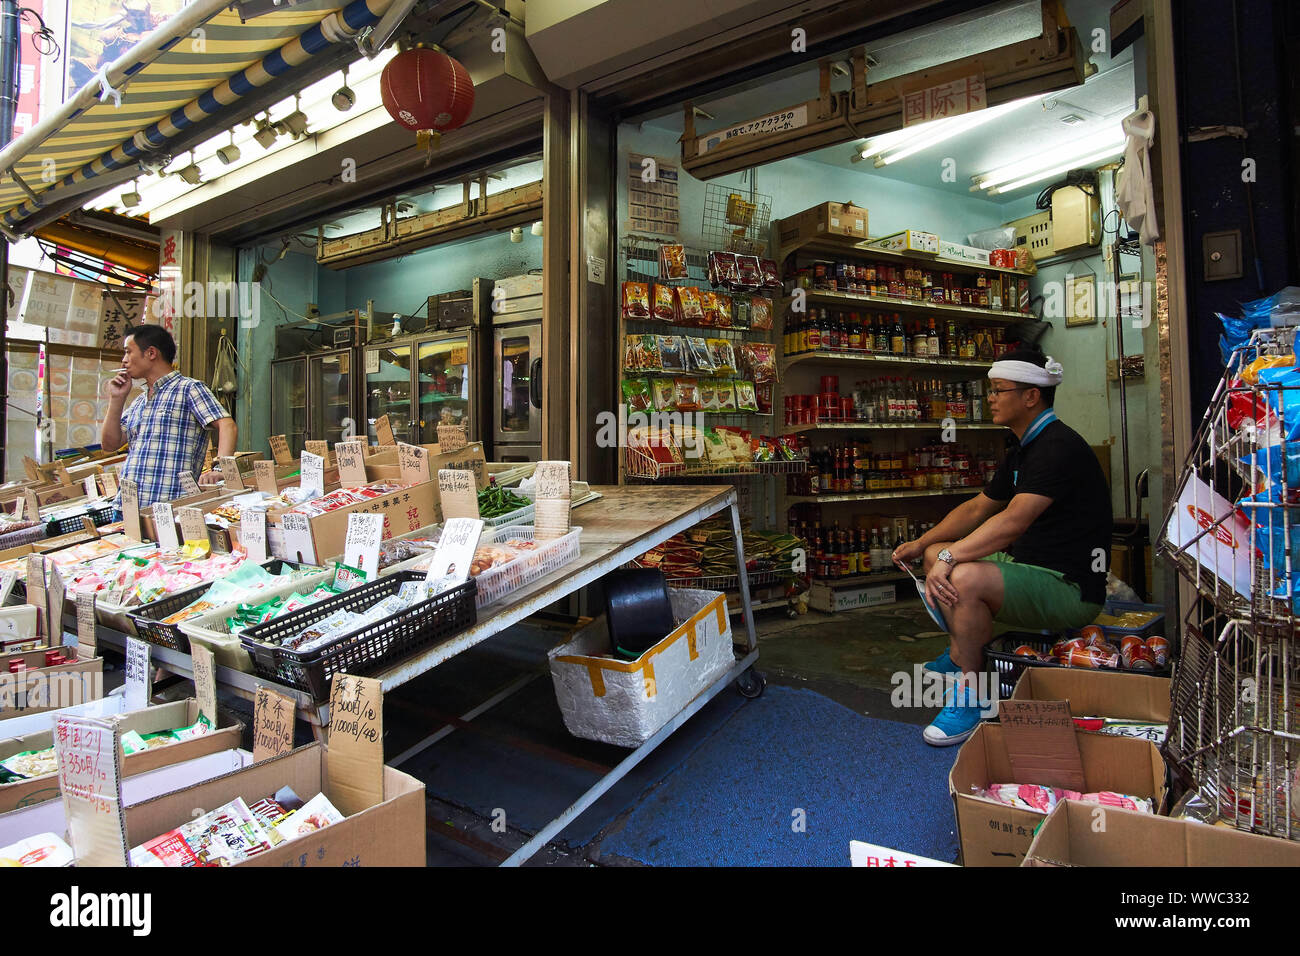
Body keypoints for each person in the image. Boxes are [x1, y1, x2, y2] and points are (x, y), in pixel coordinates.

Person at [891, 349, 1112, 746]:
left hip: (1069, 586)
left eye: (998, 390)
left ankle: (973, 693)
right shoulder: (1023, 447)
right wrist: (924, 544)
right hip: (1029, 566)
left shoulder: (1057, 448)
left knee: (965, 575)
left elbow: (1012, 522)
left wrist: (950, 556)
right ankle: (963, 648)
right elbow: (979, 507)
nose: (989, 398)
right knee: (933, 554)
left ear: (1030, 396)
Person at [100, 325, 236, 511]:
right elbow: (109, 444)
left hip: (168, 508)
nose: (124, 361)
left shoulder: (189, 388)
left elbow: (227, 425)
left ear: (151, 353)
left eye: (128, 352)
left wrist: (221, 469)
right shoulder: (140, 401)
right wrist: (116, 399)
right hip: (126, 507)